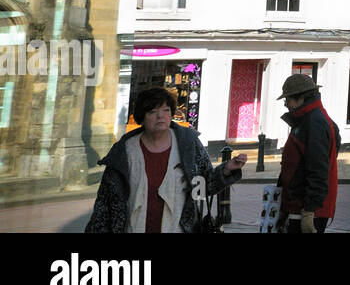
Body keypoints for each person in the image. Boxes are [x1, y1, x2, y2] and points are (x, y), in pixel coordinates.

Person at [87, 87, 246, 233]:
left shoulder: (188, 144)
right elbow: (105, 204)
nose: (160, 116)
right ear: (142, 117)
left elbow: (203, 187)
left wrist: (226, 169)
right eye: (153, 111)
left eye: (166, 110)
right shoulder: (124, 151)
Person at [276, 73, 340, 233]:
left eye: (287, 100)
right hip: (300, 205)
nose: (286, 104)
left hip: (306, 209)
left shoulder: (313, 122)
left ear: (301, 98)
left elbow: (318, 169)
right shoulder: (311, 119)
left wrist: (309, 211)